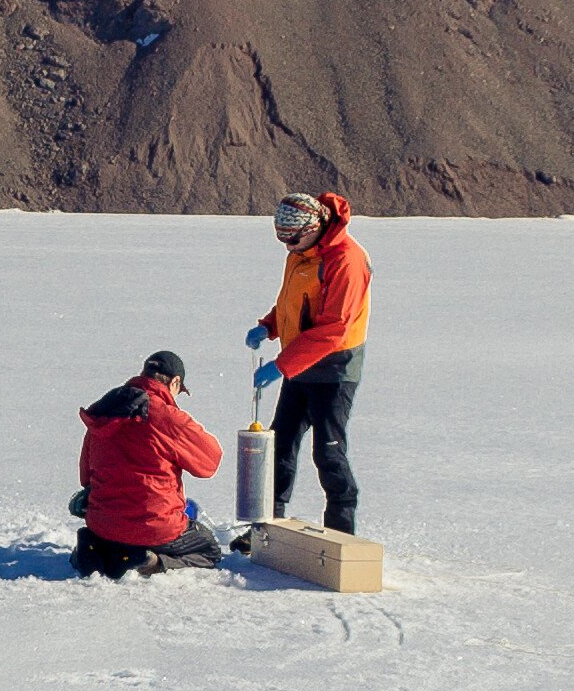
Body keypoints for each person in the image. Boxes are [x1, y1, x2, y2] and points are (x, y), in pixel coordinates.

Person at [245, 192, 371, 533]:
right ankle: (266, 523)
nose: (287, 247)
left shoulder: (347, 260)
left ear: (314, 228)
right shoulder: (303, 252)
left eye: (292, 239)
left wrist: (282, 365)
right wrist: (269, 326)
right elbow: (294, 303)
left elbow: (335, 327)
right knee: (280, 441)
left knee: (328, 451)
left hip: (334, 368)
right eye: (281, 239)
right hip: (300, 361)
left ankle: (341, 533)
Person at [71, 350, 227, 577]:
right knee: (210, 548)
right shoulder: (168, 417)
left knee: (113, 530)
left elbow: (86, 477)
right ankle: (152, 561)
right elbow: (210, 462)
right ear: (175, 382)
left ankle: (92, 549)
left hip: (103, 523)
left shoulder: (106, 409)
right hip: (157, 527)